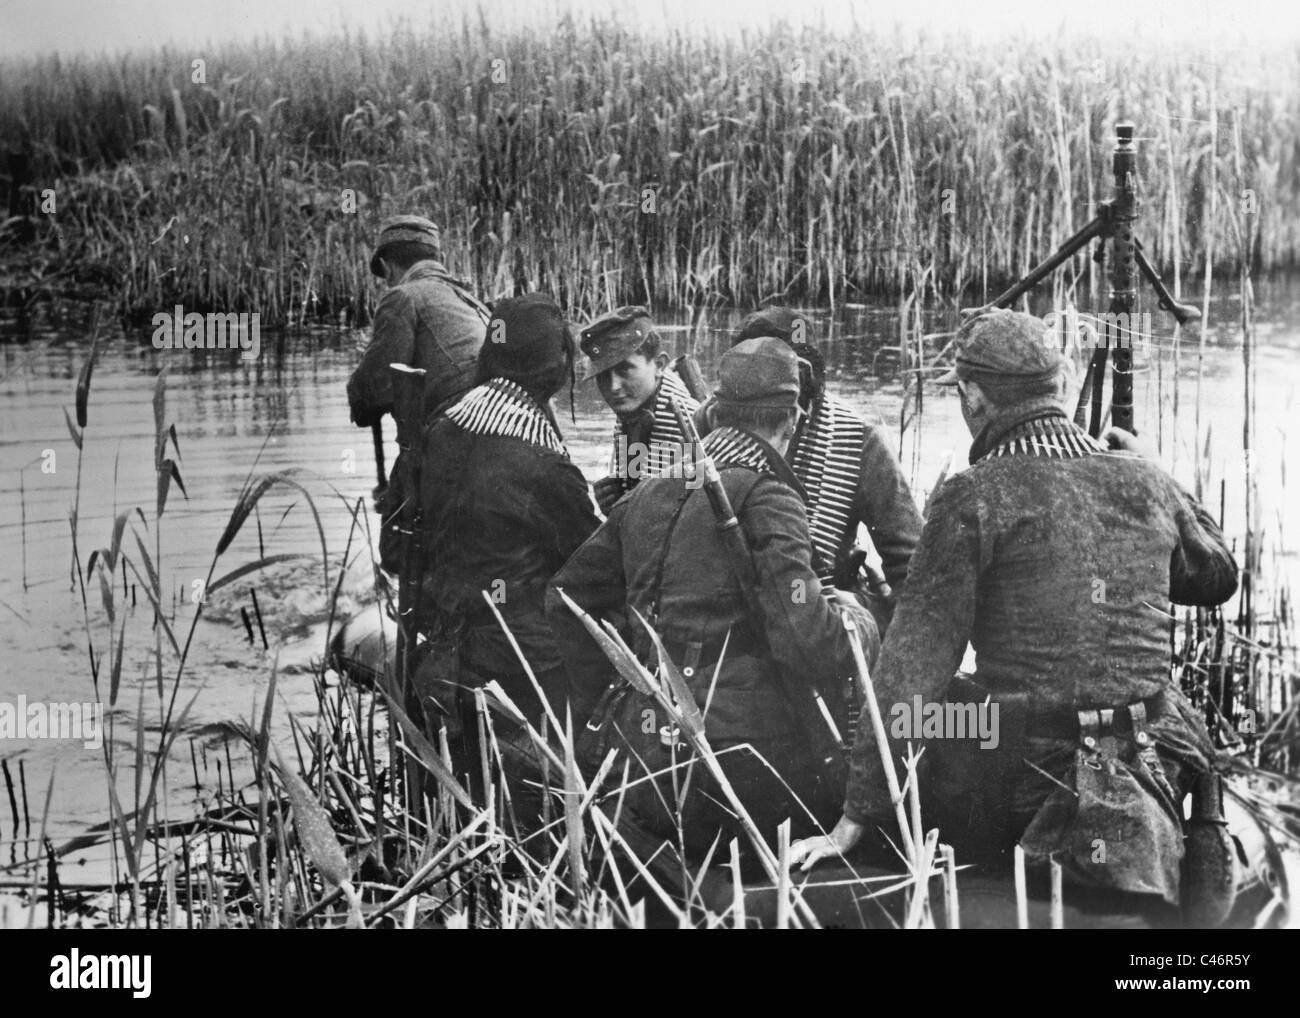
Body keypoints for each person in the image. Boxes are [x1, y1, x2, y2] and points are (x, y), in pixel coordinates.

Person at [790, 309, 1239, 922]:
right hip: (1152, 746)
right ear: (1057, 384)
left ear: (973, 397)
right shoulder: (1145, 485)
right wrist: (1157, 471)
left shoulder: (972, 496)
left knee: (942, 713)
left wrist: (856, 816)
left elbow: (909, 674)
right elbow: (1216, 578)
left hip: (1033, 766)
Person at [547, 337, 879, 883]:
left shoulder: (649, 490)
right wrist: (862, 618)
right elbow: (808, 637)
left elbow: (565, 602)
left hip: (642, 758)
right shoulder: (771, 499)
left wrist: (606, 705)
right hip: (743, 775)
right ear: (792, 420)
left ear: (717, 412)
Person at [412, 293, 602, 819]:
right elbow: (592, 568)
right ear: (555, 365)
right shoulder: (542, 462)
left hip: (449, 651)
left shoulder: (442, 428)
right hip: (522, 667)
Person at [717, 307, 923, 632]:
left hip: (817, 623)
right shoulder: (709, 422)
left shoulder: (857, 441)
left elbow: (913, 567)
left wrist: (866, 613)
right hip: (729, 615)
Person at [346, 214, 491, 574]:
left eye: (385, 276)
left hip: (456, 434)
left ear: (388, 264)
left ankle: (418, 614)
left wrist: (358, 379)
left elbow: (372, 396)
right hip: (495, 427)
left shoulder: (401, 296)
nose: (387, 283)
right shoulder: (470, 301)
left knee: (396, 549)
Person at [580, 306, 700, 514]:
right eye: (603, 375)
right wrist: (616, 502)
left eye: (625, 369)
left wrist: (626, 509)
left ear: (659, 365)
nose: (613, 387)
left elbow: (692, 517)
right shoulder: (633, 411)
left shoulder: (688, 424)